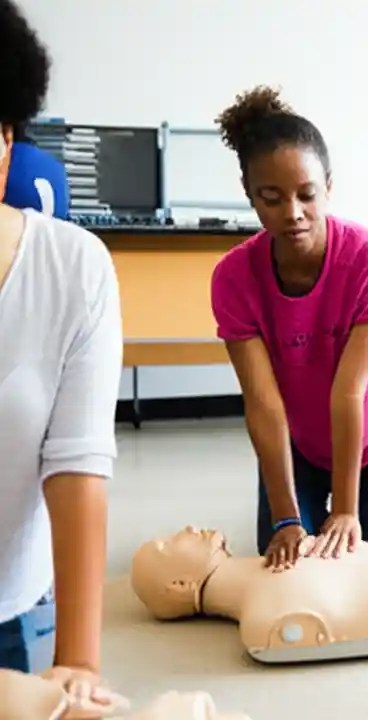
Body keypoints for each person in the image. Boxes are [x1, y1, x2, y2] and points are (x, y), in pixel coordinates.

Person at [211, 86, 368, 570]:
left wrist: (345, 510)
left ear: (328, 185)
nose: (293, 213)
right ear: (249, 195)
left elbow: (351, 393)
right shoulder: (234, 277)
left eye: (307, 195)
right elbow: (263, 404)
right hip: (299, 424)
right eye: (271, 198)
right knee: (285, 558)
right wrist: (286, 518)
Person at [0, 0, 123, 703]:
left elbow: (77, 463)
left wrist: (78, 662)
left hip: (10, 611)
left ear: (8, 138)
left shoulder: (72, 268)